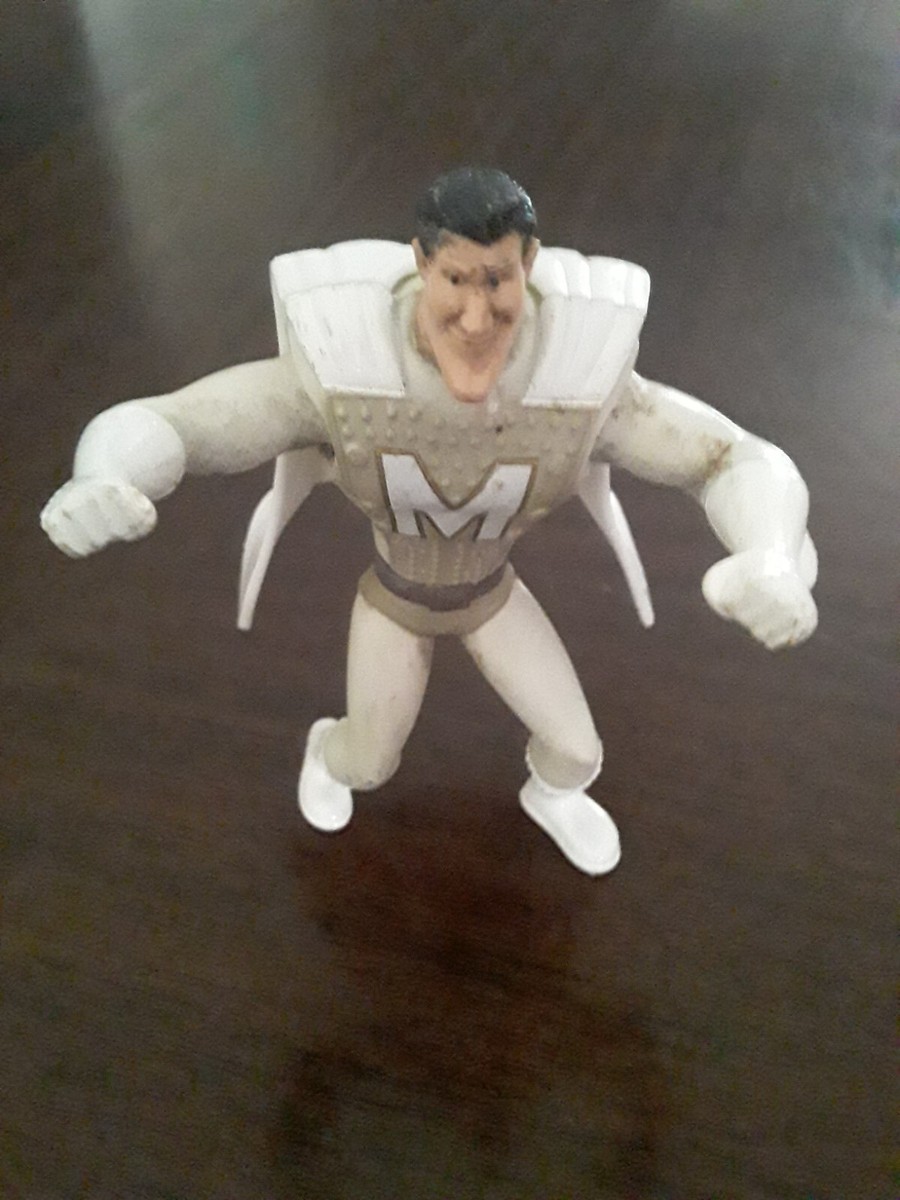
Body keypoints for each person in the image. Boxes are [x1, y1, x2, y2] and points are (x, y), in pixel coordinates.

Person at [40, 167, 818, 876]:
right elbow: (181, 422)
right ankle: (324, 749)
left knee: (578, 751)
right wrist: (107, 471)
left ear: (530, 266)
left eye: (498, 281)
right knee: (368, 762)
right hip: (397, 596)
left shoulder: (580, 380)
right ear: (420, 265)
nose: (477, 318)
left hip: (490, 593)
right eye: (455, 280)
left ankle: (550, 796)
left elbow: (732, 457)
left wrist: (772, 551)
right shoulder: (342, 368)